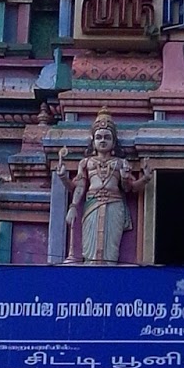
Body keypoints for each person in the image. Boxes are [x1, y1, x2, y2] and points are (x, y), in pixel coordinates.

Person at [58, 112, 150, 264]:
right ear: (93, 141)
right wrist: (71, 200)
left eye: (107, 137)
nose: (102, 141)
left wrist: (143, 178)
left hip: (114, 205)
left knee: (111, 249)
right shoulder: (86, 163)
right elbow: (79, 187)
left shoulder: (121, 163)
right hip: (92, 204)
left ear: (114, 143)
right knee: (90, 249)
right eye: (99, 137)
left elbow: (129, 188)